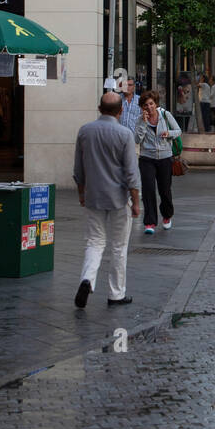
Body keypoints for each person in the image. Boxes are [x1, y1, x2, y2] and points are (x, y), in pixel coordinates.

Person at [73, 92, 141, 308]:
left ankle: (87, 279)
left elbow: (78, 168)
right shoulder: (124, 134)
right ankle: (116, 293)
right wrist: (136, 200)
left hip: (93, 195)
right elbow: (132, 172)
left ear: (99, 108)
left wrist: (81, 193)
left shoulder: (85, 131)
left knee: (94, 242)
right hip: (119, 197)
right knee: (119, 246)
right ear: (121, 111)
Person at [135, 89, 182, 235]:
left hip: (164, 157)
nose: (149, 107)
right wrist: (143, 123)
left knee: (165, 190)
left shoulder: (165, 115)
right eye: (145, 105)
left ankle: (167, 216)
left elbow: (178, 131)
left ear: (155, 103)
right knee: (148, 190)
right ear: (142, 107)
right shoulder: (140, 120)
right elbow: (137, 140)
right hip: (146, 158)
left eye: (151, 104)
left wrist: (169, 134)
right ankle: (150, 222)